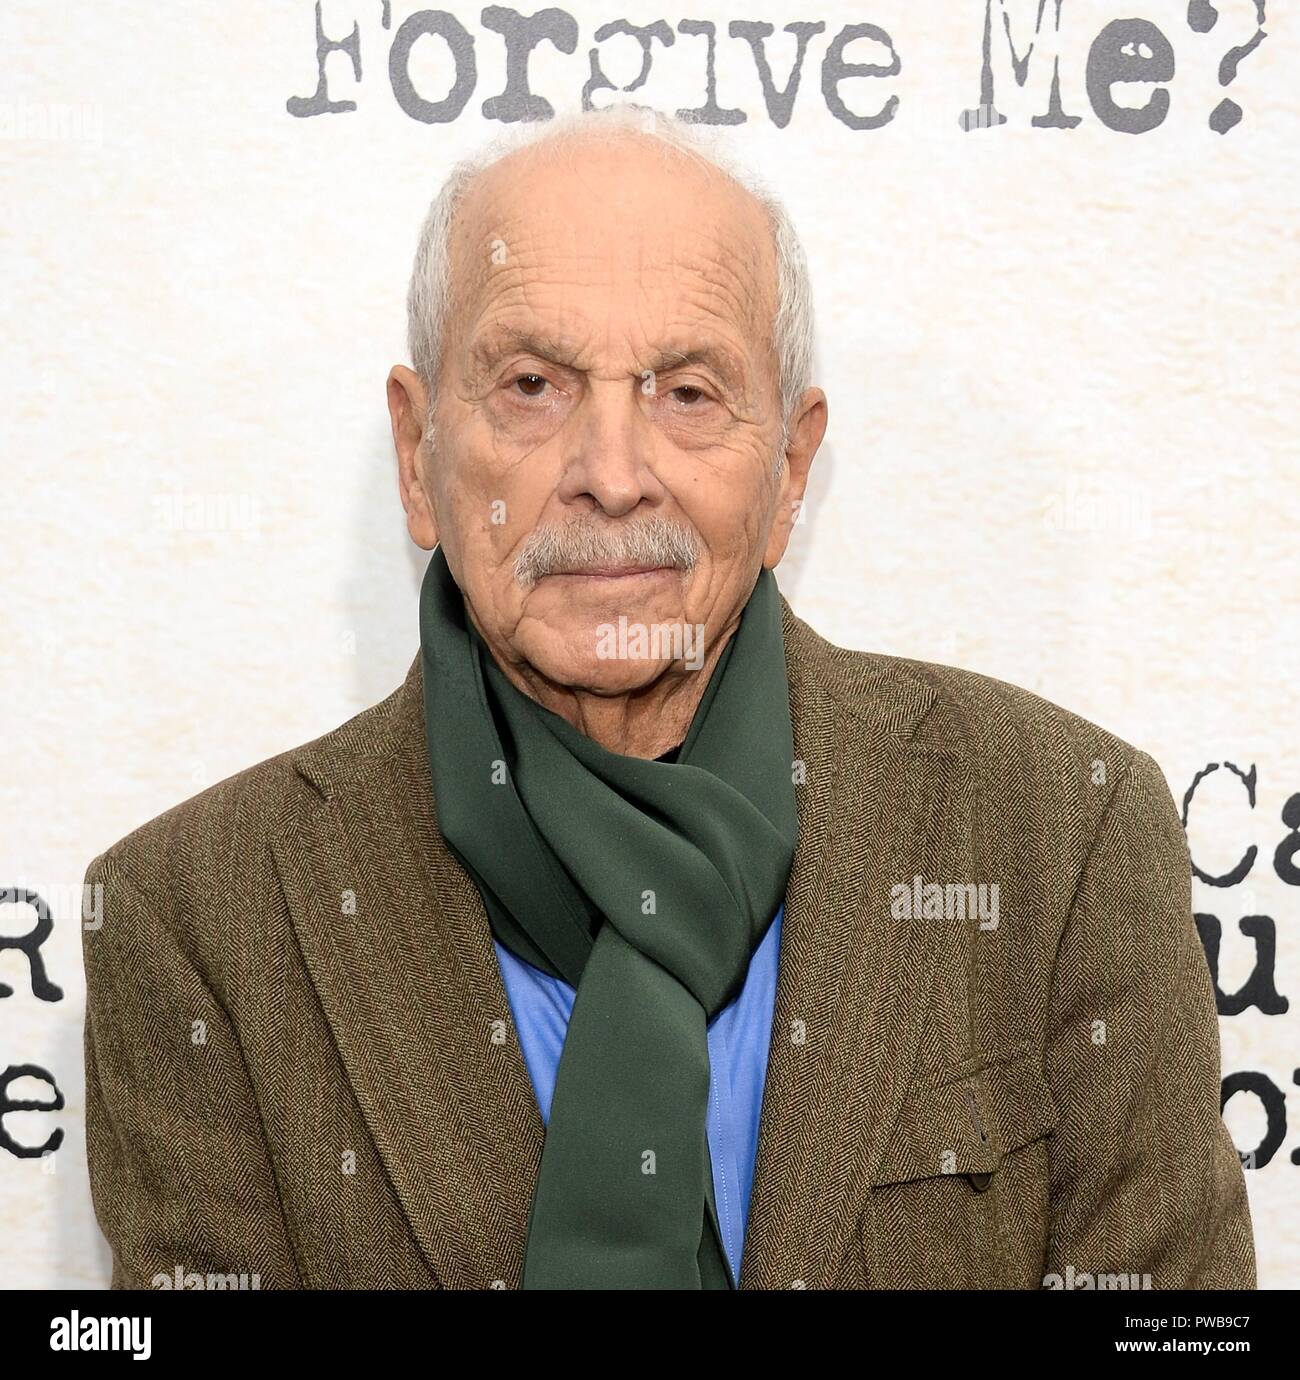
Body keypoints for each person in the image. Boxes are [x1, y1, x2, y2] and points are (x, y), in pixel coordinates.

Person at [81, 106, 1254, 1290]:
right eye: (532, 385)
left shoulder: (1059, 834)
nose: (609, 472)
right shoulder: (196, 921)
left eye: (687, 392)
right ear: (418, 452)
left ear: (790, 471)